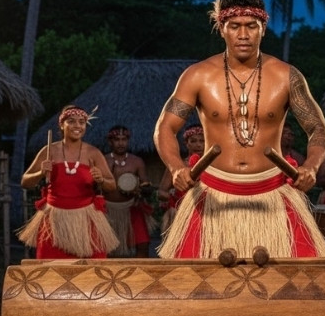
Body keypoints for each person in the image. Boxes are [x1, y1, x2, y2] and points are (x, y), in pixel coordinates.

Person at [154, 0, 325, 259]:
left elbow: (318, 128)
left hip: (272, 194)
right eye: (234, 26)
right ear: (221, 27)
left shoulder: (287, 76)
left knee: (294, 289)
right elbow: (165, 127)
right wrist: (176, 167)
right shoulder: (197, 75)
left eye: (252, 26)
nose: (244, 34)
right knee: (197, 290)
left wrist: (311, 166)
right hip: (213, 196)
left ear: (263, 27)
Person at [19, 105, 120, 259]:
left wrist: (100, 179)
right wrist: (41, 173)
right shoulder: (50, 151)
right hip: (54, 221)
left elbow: (111, 186)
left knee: (93, 271)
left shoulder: (93, 153)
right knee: (50, 271)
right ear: (61, 124)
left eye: (82, 122)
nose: (77, 126)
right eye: (71, 121)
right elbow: (25, 182)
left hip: (87, 220)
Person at [101, 125, 152, 258]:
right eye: (117, 139)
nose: (121, 143)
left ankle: (141, 276)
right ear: (110, 141)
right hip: (107, 210)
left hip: (131, 208)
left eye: (124, 139)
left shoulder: (136, 161)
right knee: (102, 247)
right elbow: (93, 187)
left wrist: (140, 189)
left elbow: (146, 185)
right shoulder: (103, 160)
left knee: (143, 244)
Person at [157, 125, 205, 233]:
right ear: (186, 144)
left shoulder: (215, 166)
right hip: (180, 214)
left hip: (207, 214)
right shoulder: (177, 166)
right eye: (193, 141)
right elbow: (161, 192)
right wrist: (173, 197)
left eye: (202, 141)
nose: (198, 145)